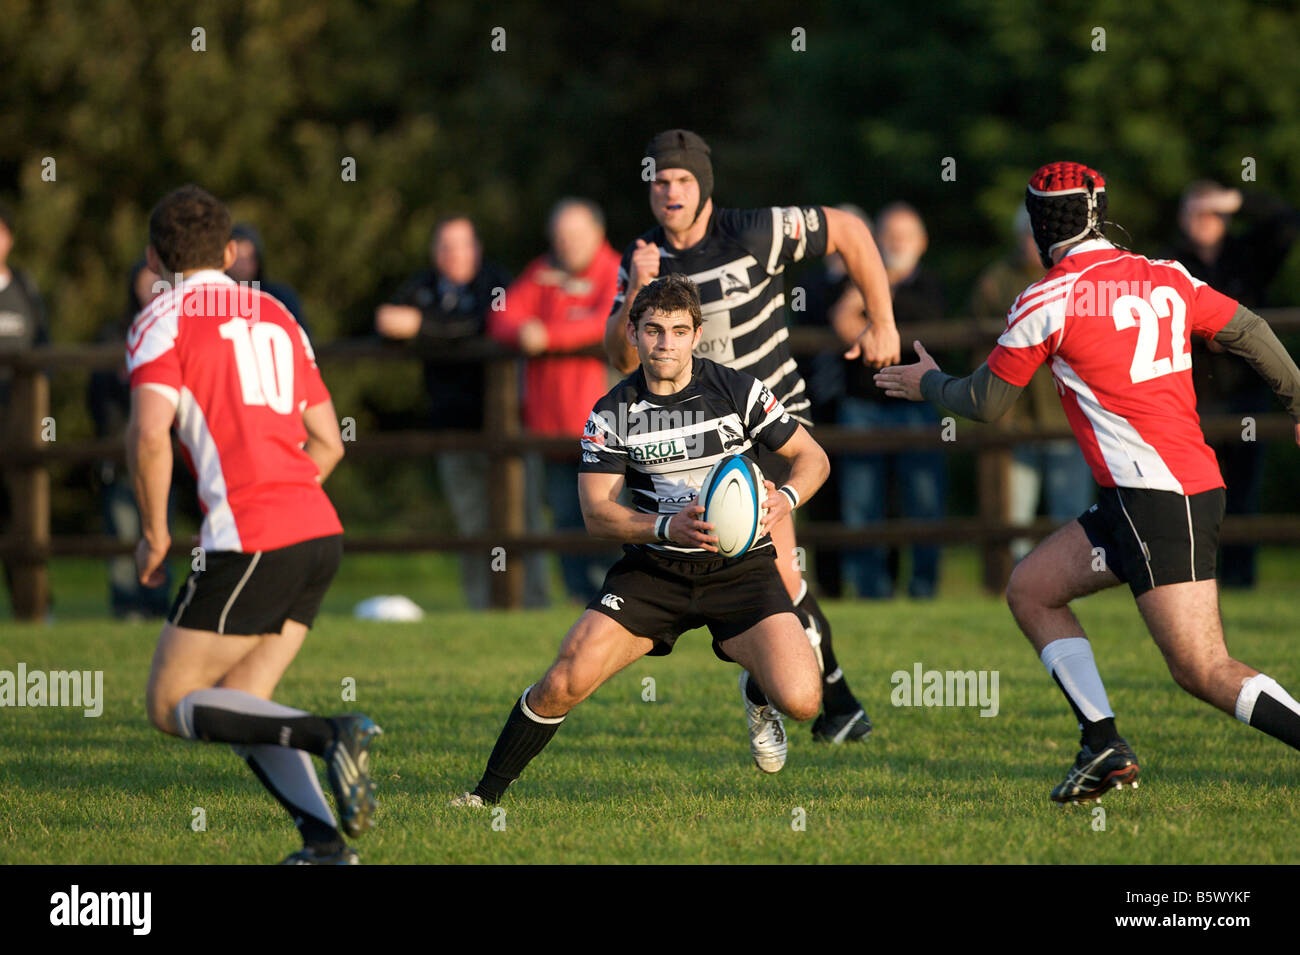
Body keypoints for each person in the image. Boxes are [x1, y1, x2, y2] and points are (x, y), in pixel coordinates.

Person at [875, 162, 1300, 803]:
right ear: (1099, 211)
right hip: (1155, 493)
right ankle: (1102, 743)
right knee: (1032, 589)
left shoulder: (1048, 296)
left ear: (1042, 223)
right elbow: (1249, 329)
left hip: (1156, 496)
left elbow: (987, 402)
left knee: (1202, 669)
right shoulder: (1165, 275)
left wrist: (926, 383)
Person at [452, 274, 829, 805]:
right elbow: (596, 511)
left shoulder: (738, 390)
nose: (665, 343)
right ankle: (483, 797)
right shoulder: (611, 411)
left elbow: (813, 458)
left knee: (804, 700)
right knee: (565, 678)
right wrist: (664, 527)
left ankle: (757, 688)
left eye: (678, 330)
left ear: (698, 334)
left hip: (741, 569)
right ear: (633, 333)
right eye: (653, 330)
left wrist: (782, 500)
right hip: (654, 571)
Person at [603, 129, 898, 749]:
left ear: (704, 185)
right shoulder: (644, 257)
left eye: (683, 180)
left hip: (773, 418)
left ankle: (823, 699)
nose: (671, 192)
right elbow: (613, 352)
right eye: (660, 181)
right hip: (703, 442)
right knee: (777, 574)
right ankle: (825, 699)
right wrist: (635, 285)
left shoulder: (753, 230)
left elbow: (847, 228)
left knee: (780, 570)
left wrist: (882, 319)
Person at [127, 185, 381, 863]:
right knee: (241, 701)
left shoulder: (163, 317)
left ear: (155, 258)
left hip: (251, 536)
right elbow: (329, 442)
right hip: (319, 530)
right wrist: (288, 499)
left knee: (169, 701)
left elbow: (150, 435)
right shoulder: (274, 311)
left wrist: (154, 532)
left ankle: (333, 732)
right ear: (232, 250)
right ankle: (325, 845)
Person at [376, 217, 541, 608]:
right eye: (445, 246)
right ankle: (482, 608)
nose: (454, 255)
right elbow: (387, 320)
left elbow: (489, 324)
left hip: (508, 427)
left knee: (521, 524)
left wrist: (422, 327)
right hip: (453, 429)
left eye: (462, 245)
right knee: (472, 527)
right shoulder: (425, 286)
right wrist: (409, 324)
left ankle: (533, 606)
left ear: (477, 249)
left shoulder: (496, 282)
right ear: (435, 253)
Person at [1160, 182, 1300, 588]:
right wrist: (1202, 337)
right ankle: (1196, 578)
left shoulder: (1248, 254)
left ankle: (1240, 579)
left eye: (1212, 212)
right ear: (1182, 217)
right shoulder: (1169, 264)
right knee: (1196, 492)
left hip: (1243, 390)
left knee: (1243, 490)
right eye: (1196, 211)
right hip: (1191, 395)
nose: (1204, 221)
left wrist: (1238, 199)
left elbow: (1288, 223)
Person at [488, 198, 621, 603]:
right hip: (552, 432)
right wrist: (522, 329)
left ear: (598, 234)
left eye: (576, 235)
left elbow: (608, 323)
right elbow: (501, 314)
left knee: (615, 517)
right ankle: (583, 604)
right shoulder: (543, 272)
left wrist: (546, 335)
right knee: (566, 520)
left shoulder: (616, 269)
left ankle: (622, 599)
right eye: (560, 237)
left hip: (608, 431)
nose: (567, 244)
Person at [830, 202, 947, 598]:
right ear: (875, 240)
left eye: (905, 236)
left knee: (925, 504)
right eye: (889, 235)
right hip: (861, 406)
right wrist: (867, 313)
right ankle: (870, 593)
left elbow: (917, 326)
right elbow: (840, 320)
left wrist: (873, 303)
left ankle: (924, 590)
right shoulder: (853, 282)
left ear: (923, 242)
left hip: (917, 407)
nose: (896, 243)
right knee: (861, 507)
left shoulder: (932, 285)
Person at [970, 207, 1093, 560]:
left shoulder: (1078, 278)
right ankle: (1016, 588)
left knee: (1071, 516)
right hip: (1015, 419)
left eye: (1037, 234)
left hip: (1068, 417)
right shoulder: (996, 281)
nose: (1031, 242)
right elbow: (979, 347)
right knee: (1014, 519)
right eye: (1026, 234)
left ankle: (1073, 588)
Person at [88, 259, 173, 618]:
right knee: (124, 535)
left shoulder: (173, 329)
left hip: (162, 451)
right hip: (124, 455)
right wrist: (117, 438)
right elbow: (97, 395)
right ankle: (127, 610)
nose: (151, 285)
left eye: (157, 277)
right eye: (144, 278)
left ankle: (158, 608)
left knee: (159, 529)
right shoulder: (115, 334)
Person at [0, 203, 49, 616]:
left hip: (19, 424)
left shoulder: (25, 290)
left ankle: (34, 608)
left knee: (26, 517)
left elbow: (44, 350)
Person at [226, 222, 310, 337]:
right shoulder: (211, 302)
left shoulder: (280, 298)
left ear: (257, 261)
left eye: (247, 258)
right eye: (237, 258)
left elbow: (301, 338)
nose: (242, 266)